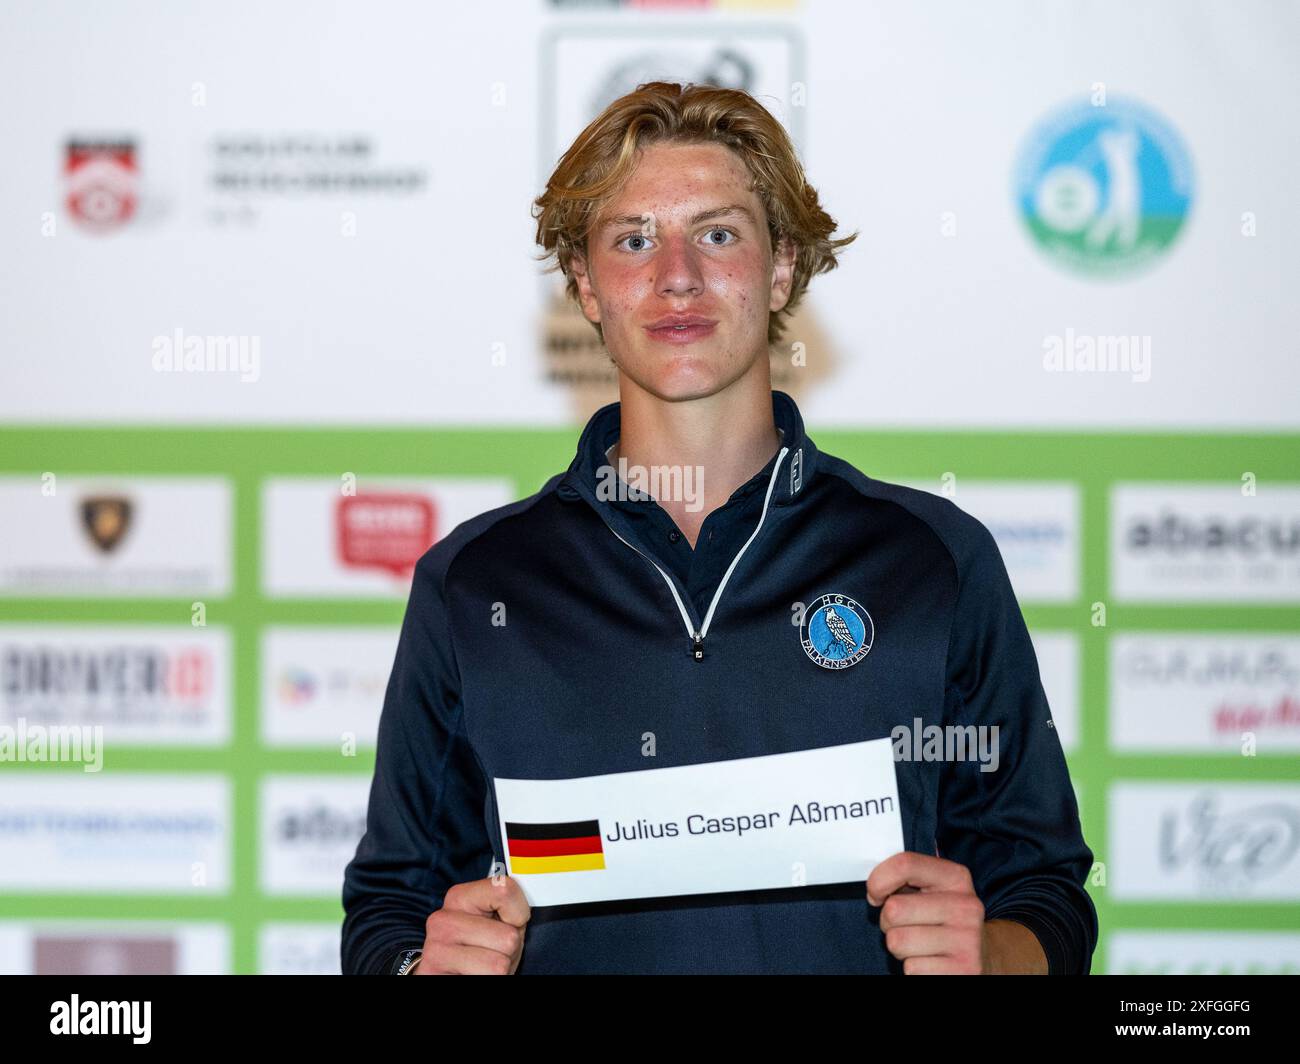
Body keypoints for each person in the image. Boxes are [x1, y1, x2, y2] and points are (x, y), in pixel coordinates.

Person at [340, 81, 1097, 975]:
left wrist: (995, 958)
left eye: (719, 234)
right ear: (585, 284)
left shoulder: (931, 560)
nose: (677, 276)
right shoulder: (475, 582)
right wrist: (420, 967)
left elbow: (1044, 888)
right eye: (633, 240)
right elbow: (387, 913)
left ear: (781, 268)